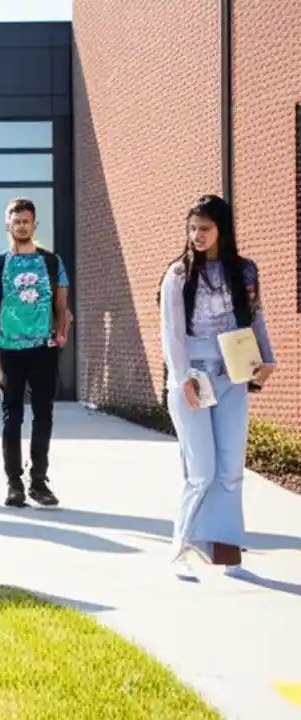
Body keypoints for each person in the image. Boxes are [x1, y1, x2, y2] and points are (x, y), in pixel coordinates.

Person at [158, 194, 275, 579]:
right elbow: (172, 335)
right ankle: (184, 547)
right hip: (192, 378)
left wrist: (266, 359)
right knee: (201, 471)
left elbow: (254, 318)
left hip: (233, 377)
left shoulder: (245, 272)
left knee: (230, 468)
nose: (197, 235)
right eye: (192, 228)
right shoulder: (177, 275)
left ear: (222, 230)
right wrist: (181, 382)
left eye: (205, 228)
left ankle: (227, 554)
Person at [0, 197, 71, 508]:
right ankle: (14, 483)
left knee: (44, 414)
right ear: (8, 224)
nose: (21, 225)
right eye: (16, 220)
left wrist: (60, 333)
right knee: (12, 417)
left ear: (34, 225)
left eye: (26, 220)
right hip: (10, 350)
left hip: (43, 350)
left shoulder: (51, 262)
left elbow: (62, 305)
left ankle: (39, 481)